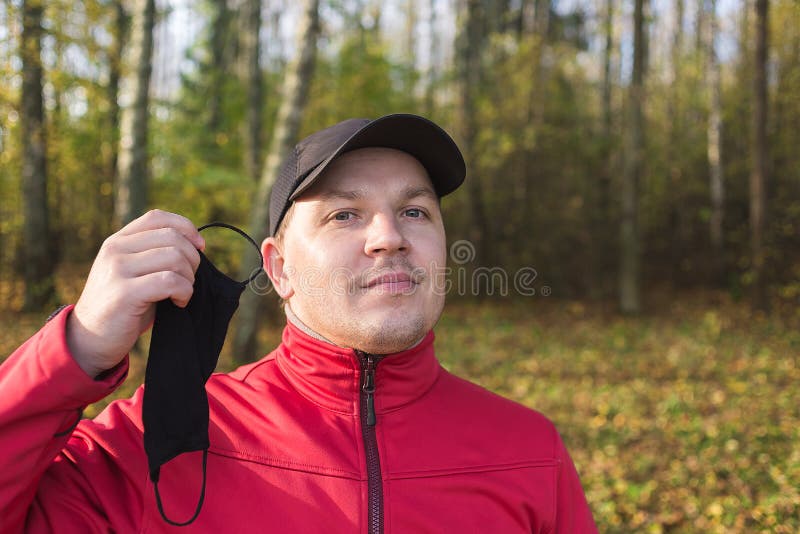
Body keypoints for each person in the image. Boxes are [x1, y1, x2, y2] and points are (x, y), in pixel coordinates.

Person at [0, 114, 597, 532]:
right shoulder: (154, 445)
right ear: (279, 268)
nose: (389, 237)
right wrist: (74, 352)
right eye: (345, 214)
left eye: (414, 211)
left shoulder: (529, 451)